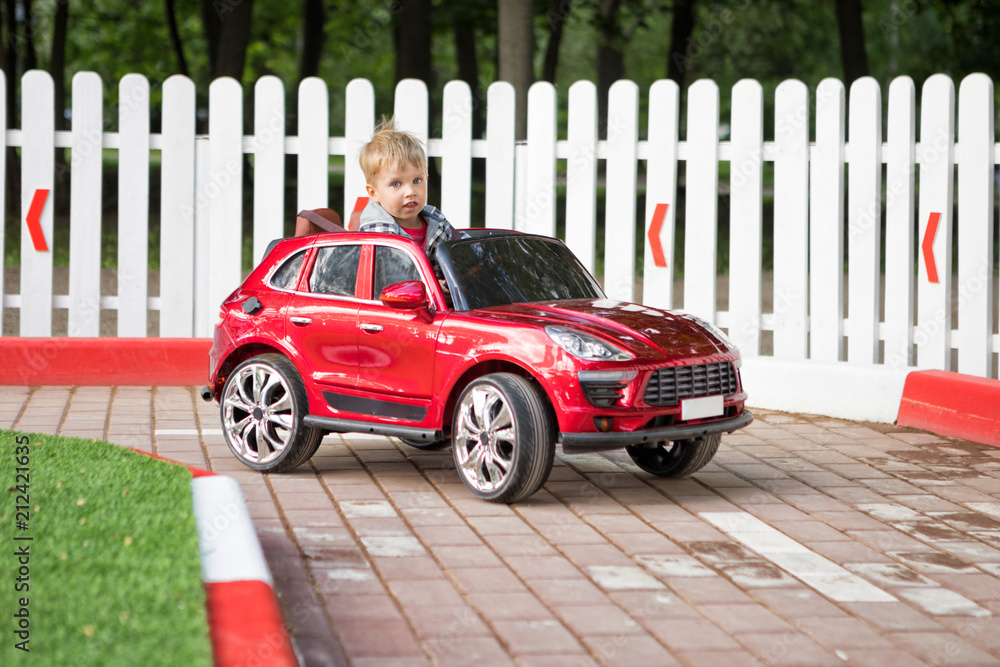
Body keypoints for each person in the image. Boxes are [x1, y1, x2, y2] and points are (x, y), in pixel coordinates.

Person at [358, 116, 464, 272]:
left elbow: (461, 251)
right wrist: (434, 284)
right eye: (396, 184)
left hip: (435, 296)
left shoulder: (435, 222)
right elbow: (390, 278)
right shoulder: (379, 232)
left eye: (417, 180)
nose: (410, 192)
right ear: (374, 193)